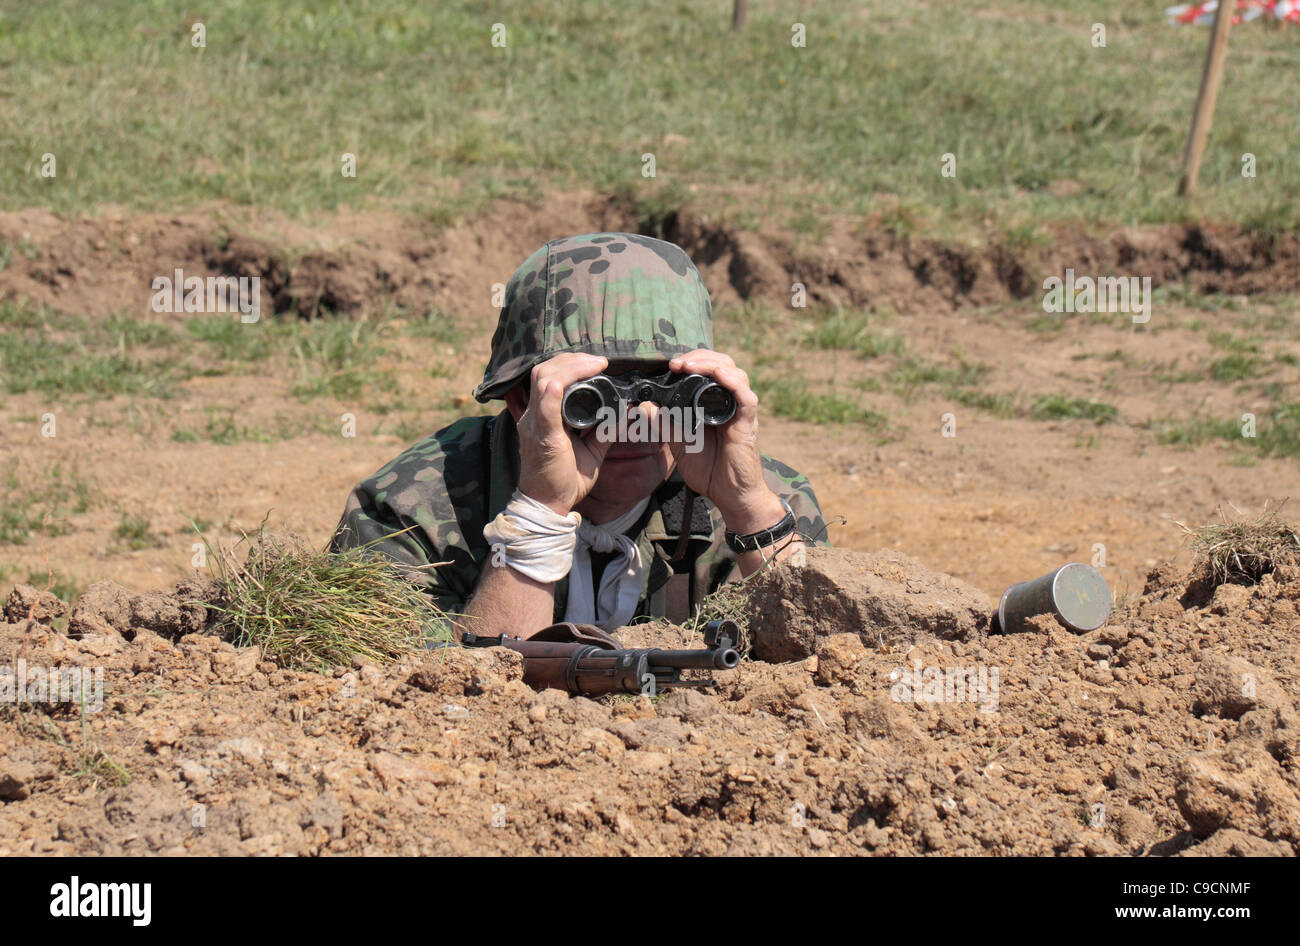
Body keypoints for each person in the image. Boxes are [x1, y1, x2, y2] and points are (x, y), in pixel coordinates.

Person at [329, 232, 828, 638]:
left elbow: (831, 661)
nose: (637, 421)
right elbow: (448, 702)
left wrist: (748, 509)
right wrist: (539, 512)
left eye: (669, 389)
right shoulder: (407, 512)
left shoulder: (772, 505)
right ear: (522, 401)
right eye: (594, 400)